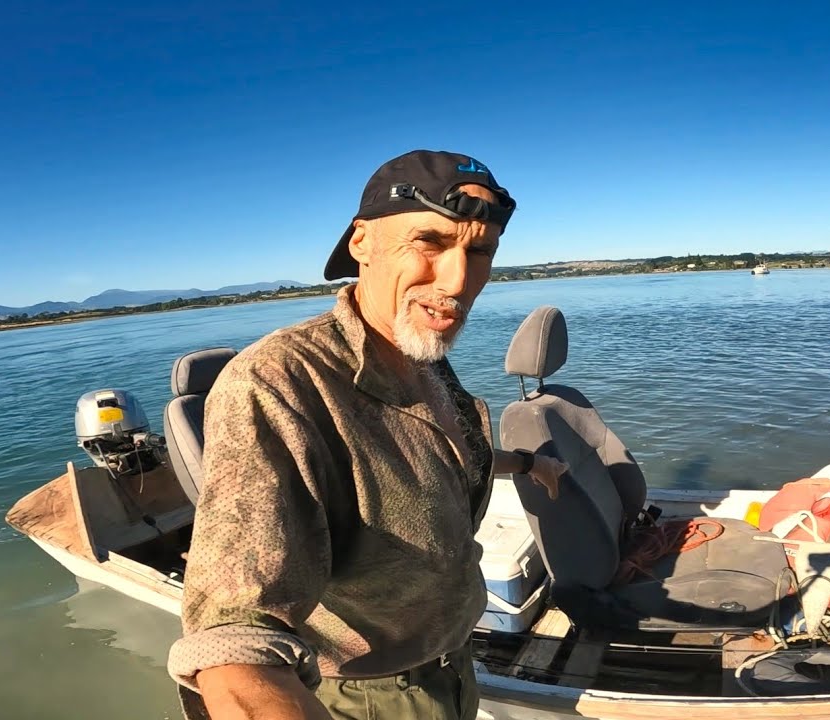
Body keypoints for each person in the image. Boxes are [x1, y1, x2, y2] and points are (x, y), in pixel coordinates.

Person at [167, 149, 569, 720]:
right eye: (429, 242)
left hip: (454, 662)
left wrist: (530, 466)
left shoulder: (420, 351)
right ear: (362, 243)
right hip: (369, 695)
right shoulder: (277, 383)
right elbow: (234, 635)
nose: (458, 280)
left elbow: (437, 453)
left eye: (479, 251)